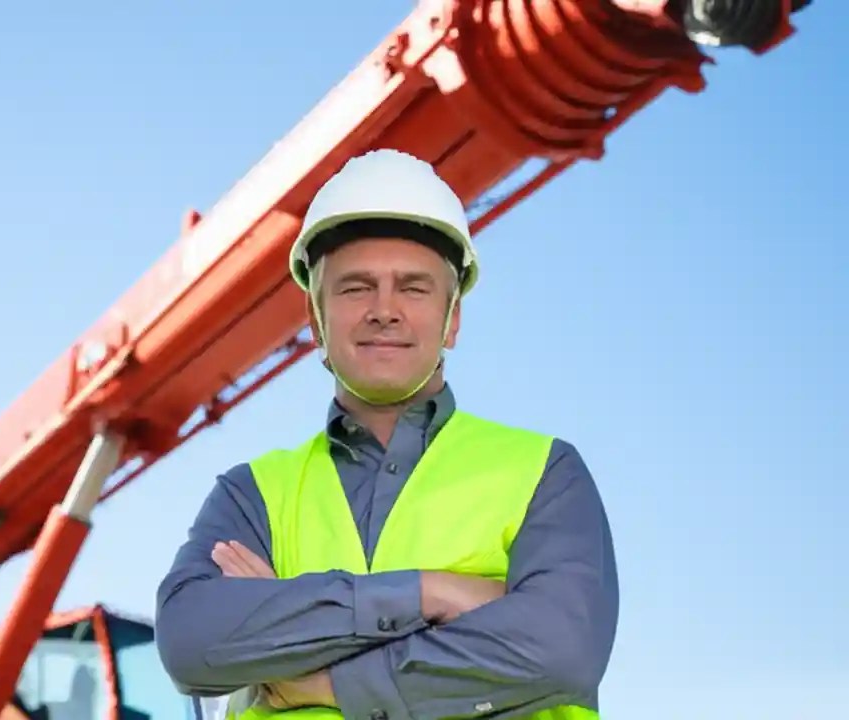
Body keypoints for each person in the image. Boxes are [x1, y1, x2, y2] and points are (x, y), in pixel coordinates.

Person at [153, 149, 619, 719]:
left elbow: (560, 652)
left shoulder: (544, 473)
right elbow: (191, 644)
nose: (384, 310)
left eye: (413, 288)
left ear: (452, 320)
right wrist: (432, 593)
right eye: (355, 288)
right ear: (315, 318)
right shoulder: (251, 494)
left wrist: (318, 671)